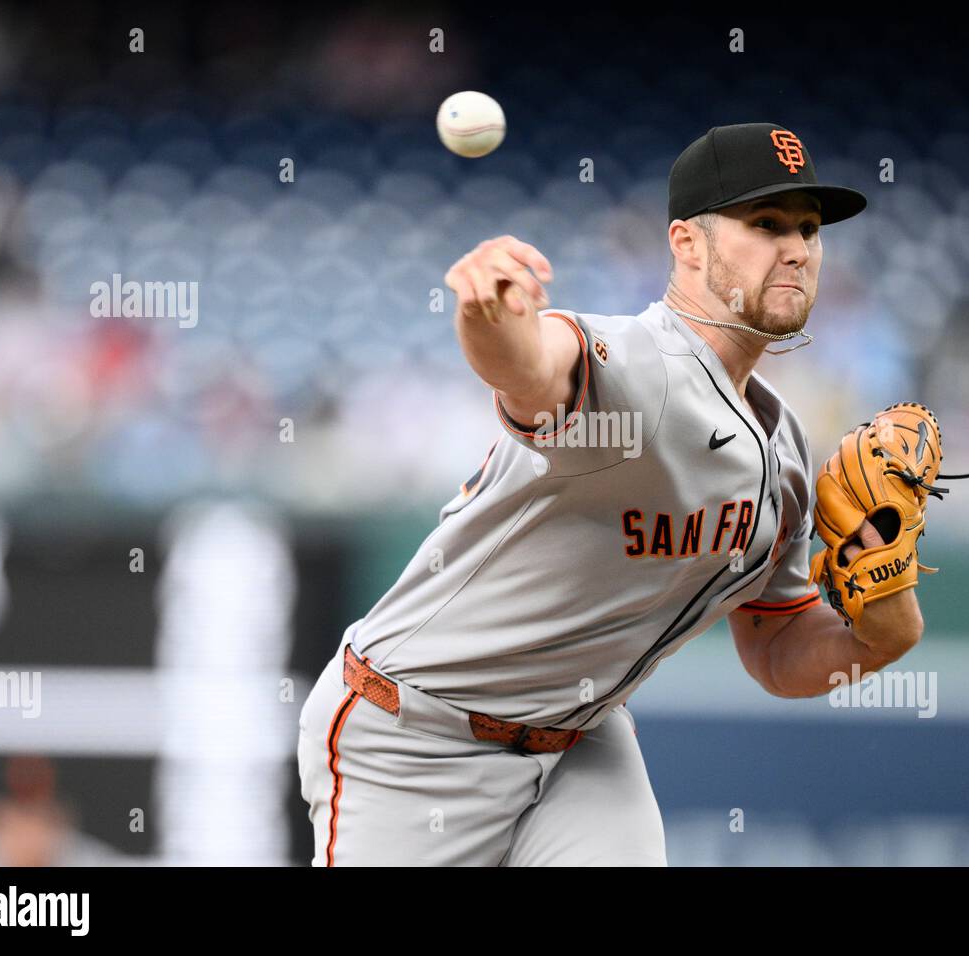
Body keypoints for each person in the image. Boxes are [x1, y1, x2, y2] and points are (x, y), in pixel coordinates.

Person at [297, 122, 924, 866]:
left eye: (810, 229)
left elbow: (778, 646)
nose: (796, 247)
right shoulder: (637, 368)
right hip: (416, 737)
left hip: (582, 742)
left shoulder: (785, 454)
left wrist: (879, 638)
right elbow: (530, 369)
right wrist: (487, 315)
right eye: (765, 223)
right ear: (687, 244)